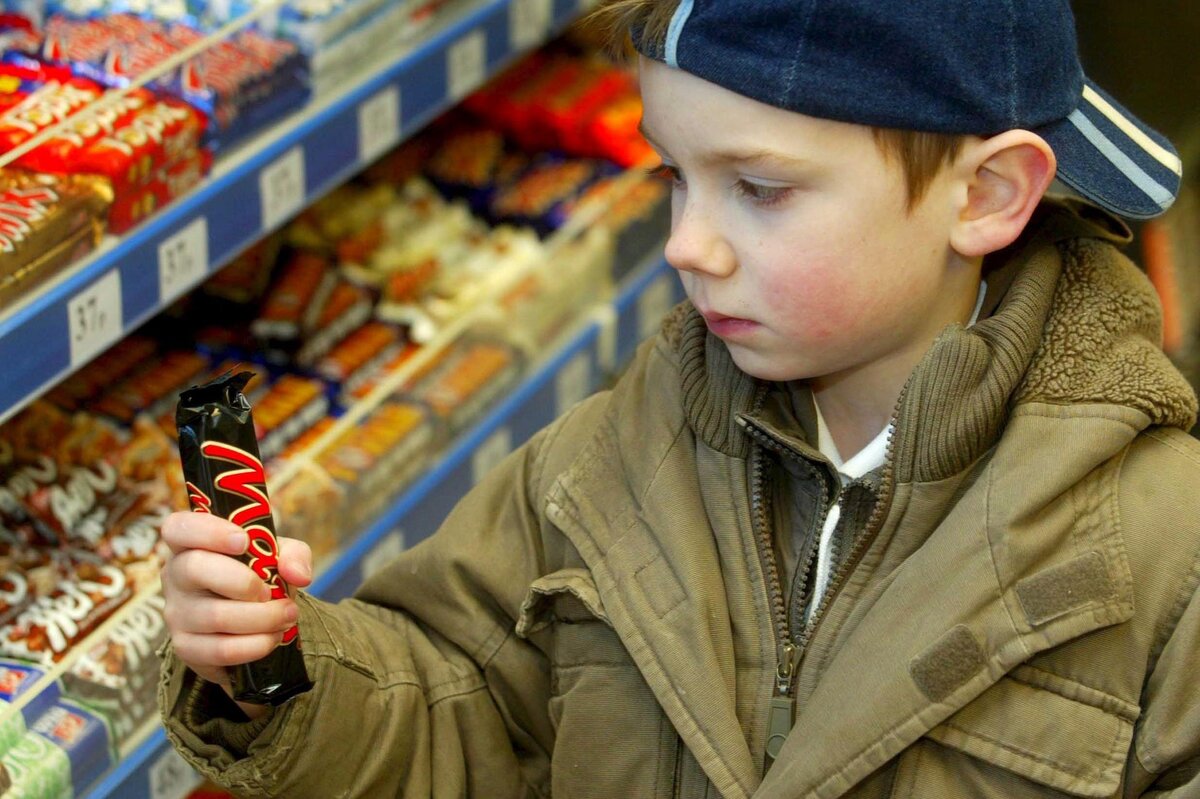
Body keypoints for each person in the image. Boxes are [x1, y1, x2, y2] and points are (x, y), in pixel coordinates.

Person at [158, 1, 1200, 796]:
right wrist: (276, 667)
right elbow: (462, 704)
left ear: (984, 195)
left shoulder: (1162, 564)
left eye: (759, 189)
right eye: (673, 176)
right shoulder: (607, 465)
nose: (685, 246)